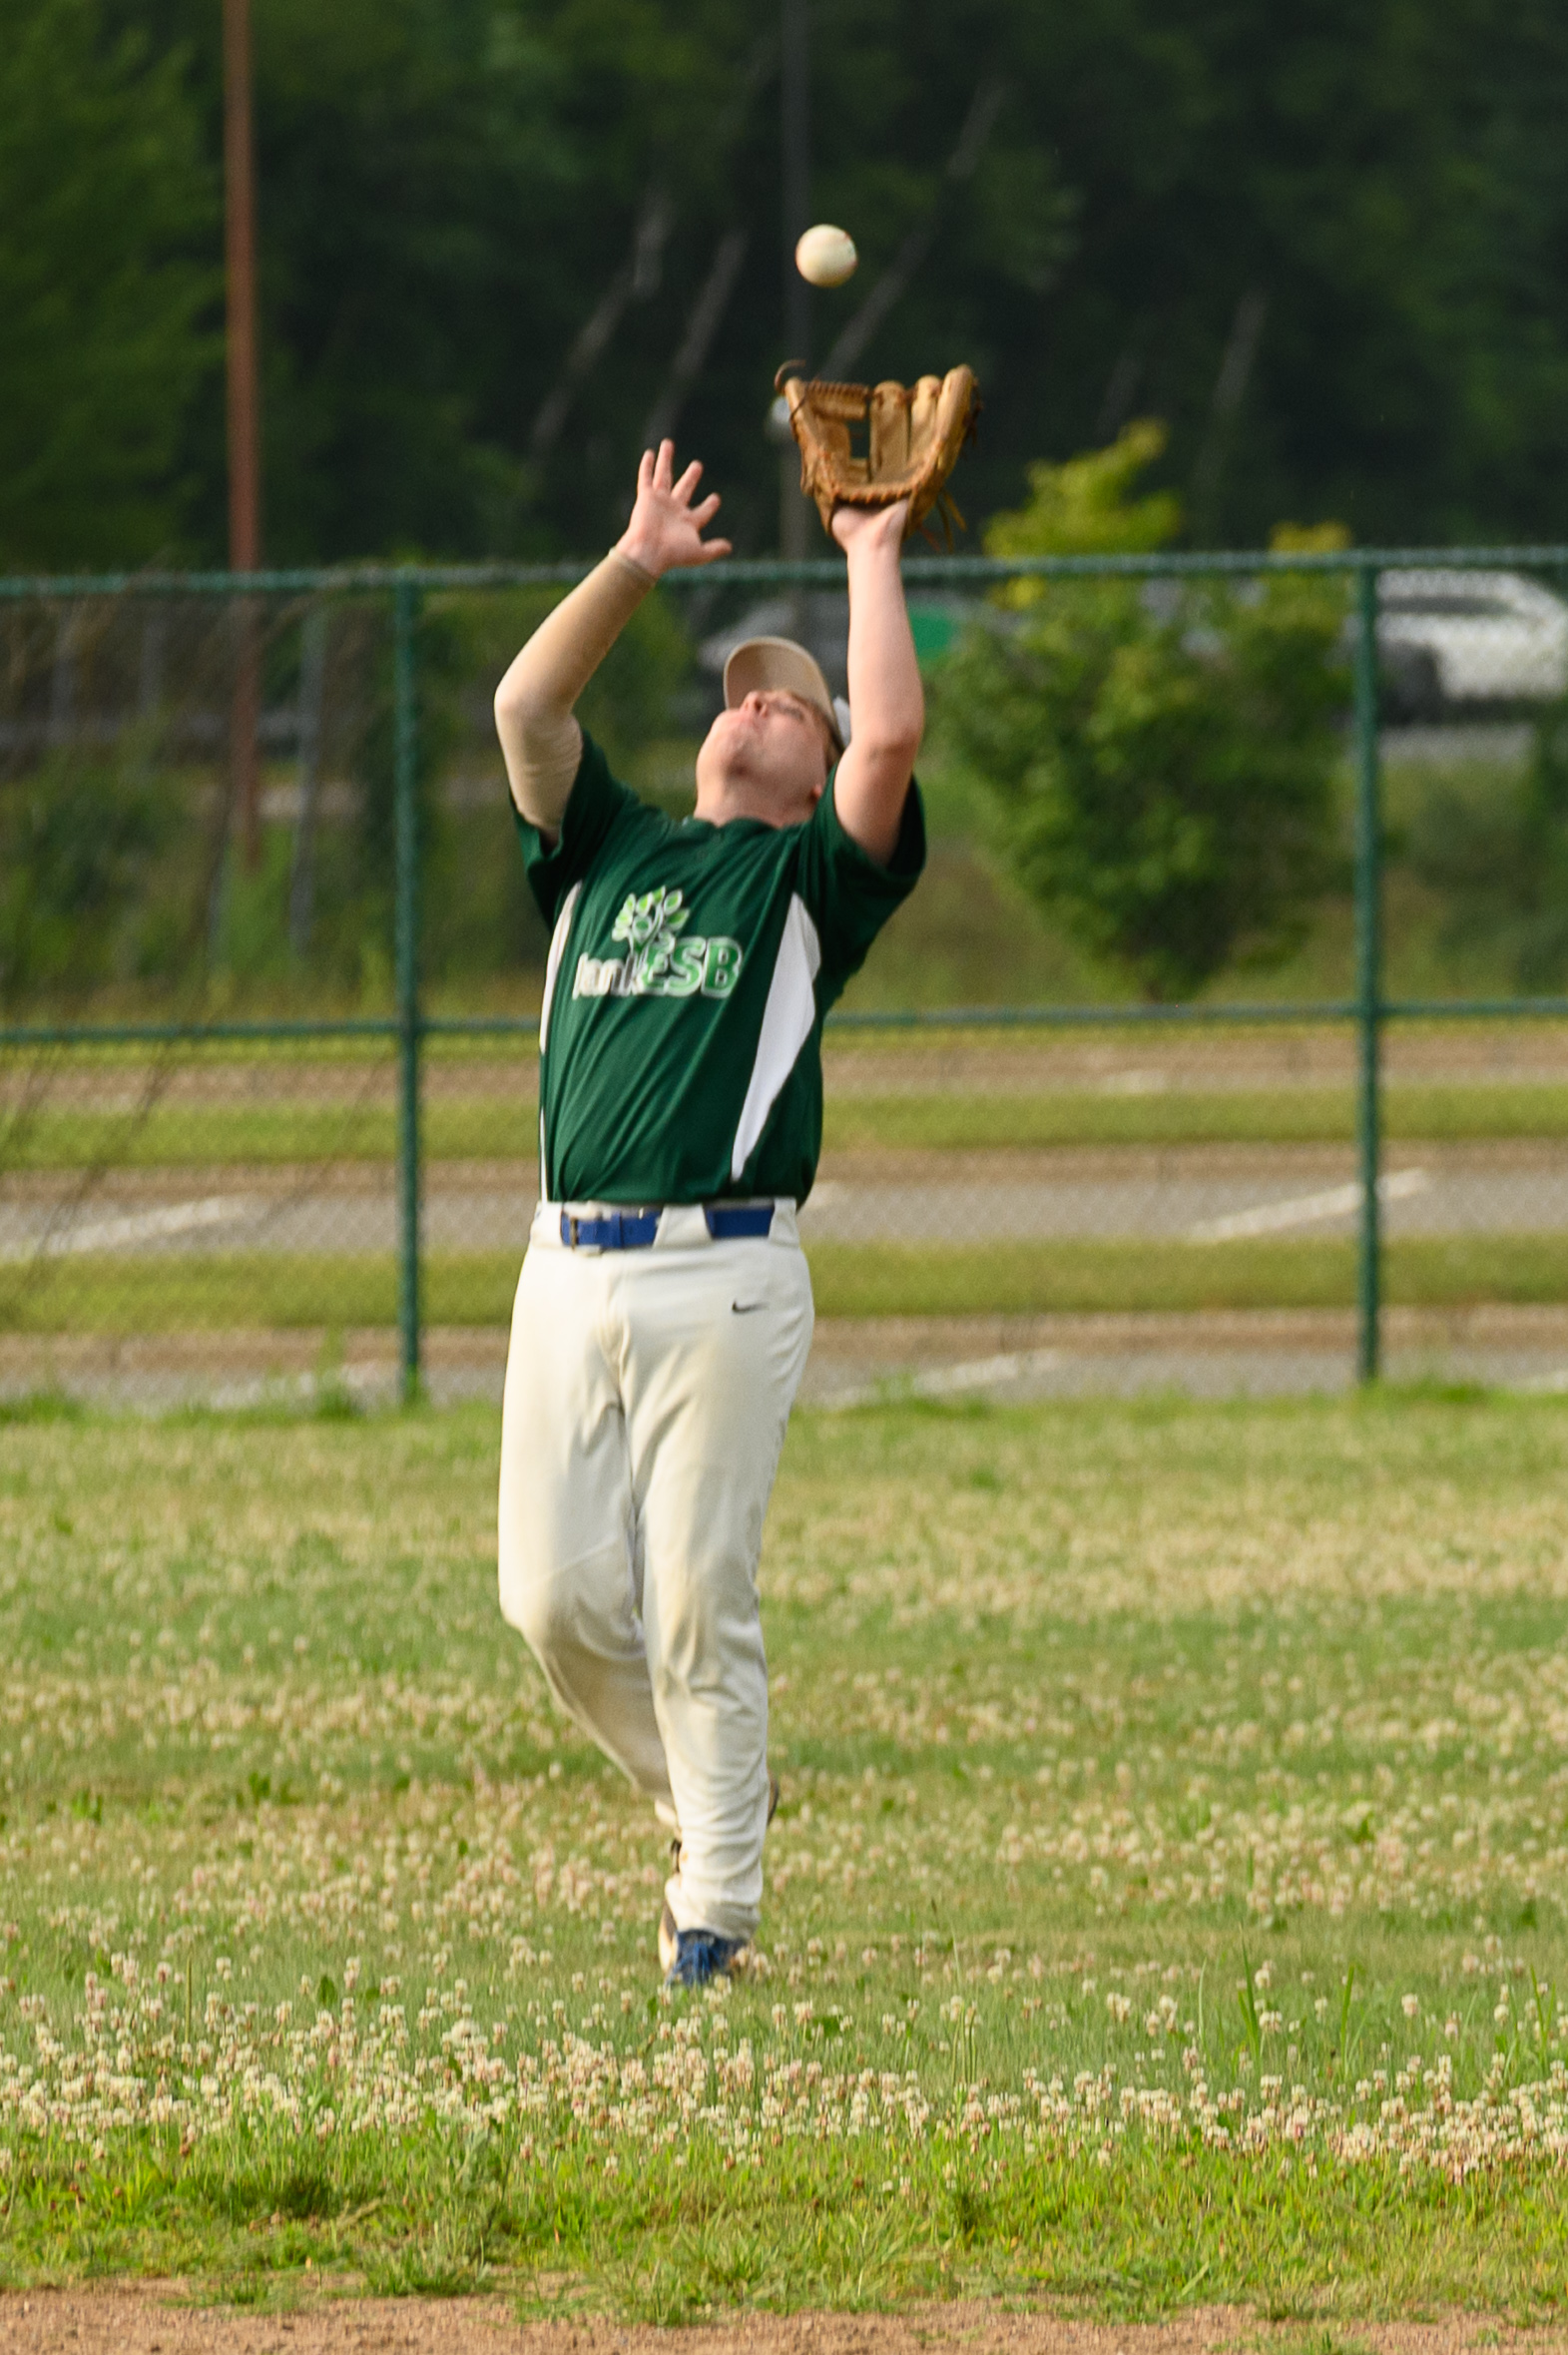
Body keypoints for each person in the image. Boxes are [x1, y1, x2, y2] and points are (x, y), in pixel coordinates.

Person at [492, 437, 925, 1987]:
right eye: (746, 687)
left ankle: (715, 1925)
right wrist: (634, 560)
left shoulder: (806, 885)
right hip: (565, 1266)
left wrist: (870, 552)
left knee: (692, 1598)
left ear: (810, 770)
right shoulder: (607, 850)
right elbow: (526, 710)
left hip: (728, 1278)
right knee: (546, 1600)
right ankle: (709, 1800)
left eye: (790, 702)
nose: (760, 700)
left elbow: (895, 749)